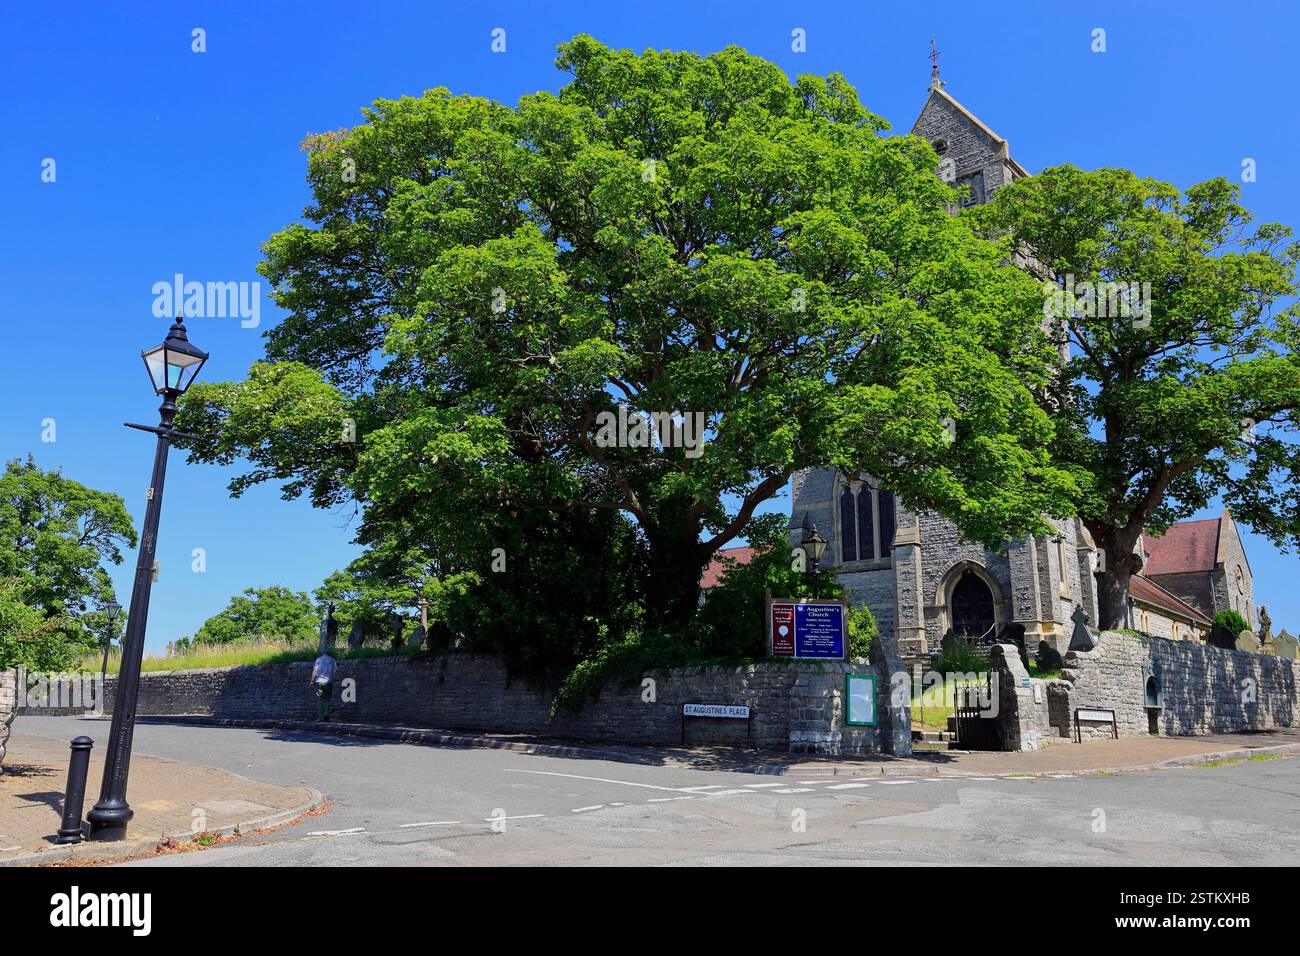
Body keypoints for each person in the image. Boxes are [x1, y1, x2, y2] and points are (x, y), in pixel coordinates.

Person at [309, 648, 337, 721]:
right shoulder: (332, 660)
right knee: (327, 699)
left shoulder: (319, 659)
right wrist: (331, 679)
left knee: (319, 699)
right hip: (328, 682)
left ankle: (321, 717)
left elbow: (315, 670)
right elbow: (334, 672)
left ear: (321, 653)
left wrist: (312, 681)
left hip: (319, 682)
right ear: (328, 653)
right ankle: (326, 715)